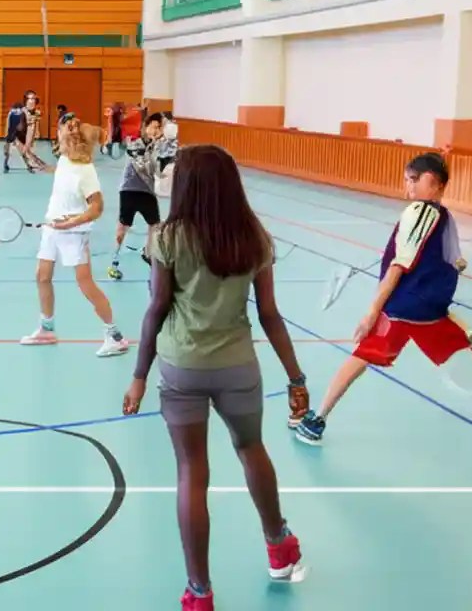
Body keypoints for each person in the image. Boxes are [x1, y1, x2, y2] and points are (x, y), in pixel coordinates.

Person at [123, 144, 309, 611]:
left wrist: (139, 375)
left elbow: (156, 308)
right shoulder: (254, 237)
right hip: (237, 368)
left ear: (185, 186)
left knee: (191, 473)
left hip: (181, 368)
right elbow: (269, 314)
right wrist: (295, 376)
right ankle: (279, 542)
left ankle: (199, 593)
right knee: (252, 450)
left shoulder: (165, 238)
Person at [295, 152, 472, 444]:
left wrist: (374, 309)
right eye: (406, 180)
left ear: (435, 184)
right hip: (425, 310)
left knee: (361, 356)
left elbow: (412, 264)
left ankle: (316, 420)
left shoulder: (426, 213)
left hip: (407, 307)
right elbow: (437, 260)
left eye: (413, 179)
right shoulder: (433, 214)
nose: (408, 187)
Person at [19, 113, 129, 357]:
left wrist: (71, 222)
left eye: (61, 133)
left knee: (85, 283)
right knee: (42, 275)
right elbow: (60, 177)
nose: (57, 136)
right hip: (51, 226)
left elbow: (97, 208)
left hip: (74, 233)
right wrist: (37, 162)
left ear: (71, 140)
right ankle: (47, 329)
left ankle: (115, 336)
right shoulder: (64, 160)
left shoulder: (86, 172)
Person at [108, 113, 165, 280]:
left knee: (155, 226)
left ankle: (148, 253)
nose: (156, 131)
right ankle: (114, 261)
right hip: (129, 189)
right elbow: (145, 168)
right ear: (145, 127)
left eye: (159, 127)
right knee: (122, 228)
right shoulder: (134, 144)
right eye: (153, 127)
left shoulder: (159, 147)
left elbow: (159, 172)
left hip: (148, 191)